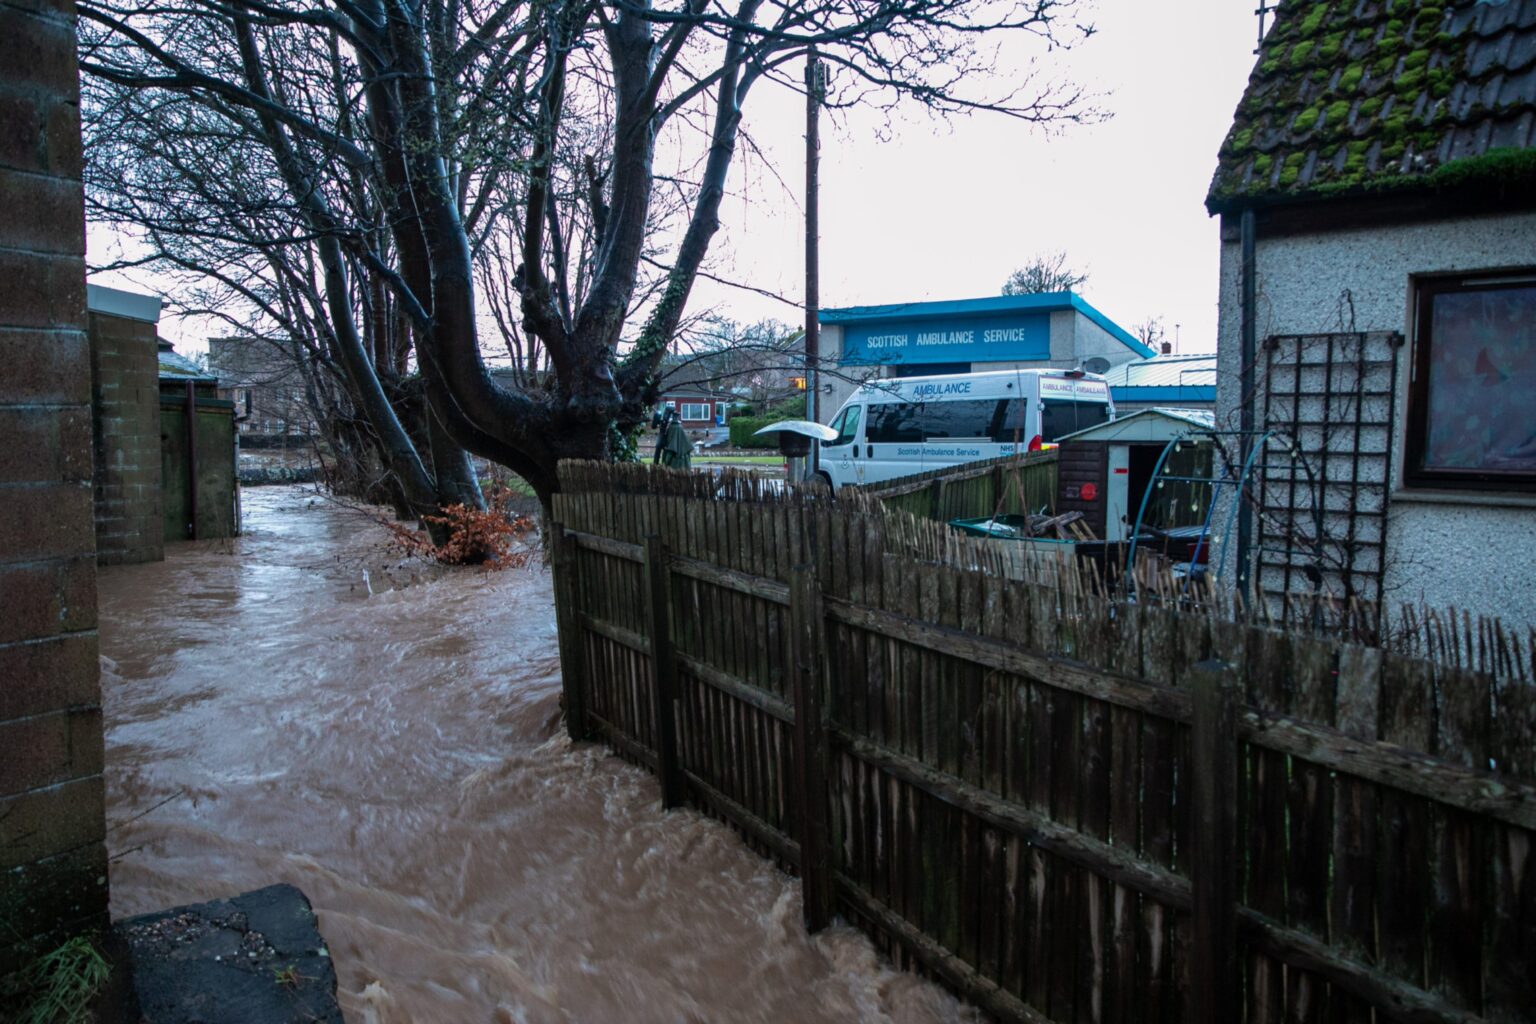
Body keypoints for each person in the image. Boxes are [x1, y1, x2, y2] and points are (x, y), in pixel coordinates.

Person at [653, 405, 693, 469]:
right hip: (684, 467)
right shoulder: (678, 429)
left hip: (676, 466)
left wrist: (664, 465)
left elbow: (671, 450)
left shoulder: (674, 428)